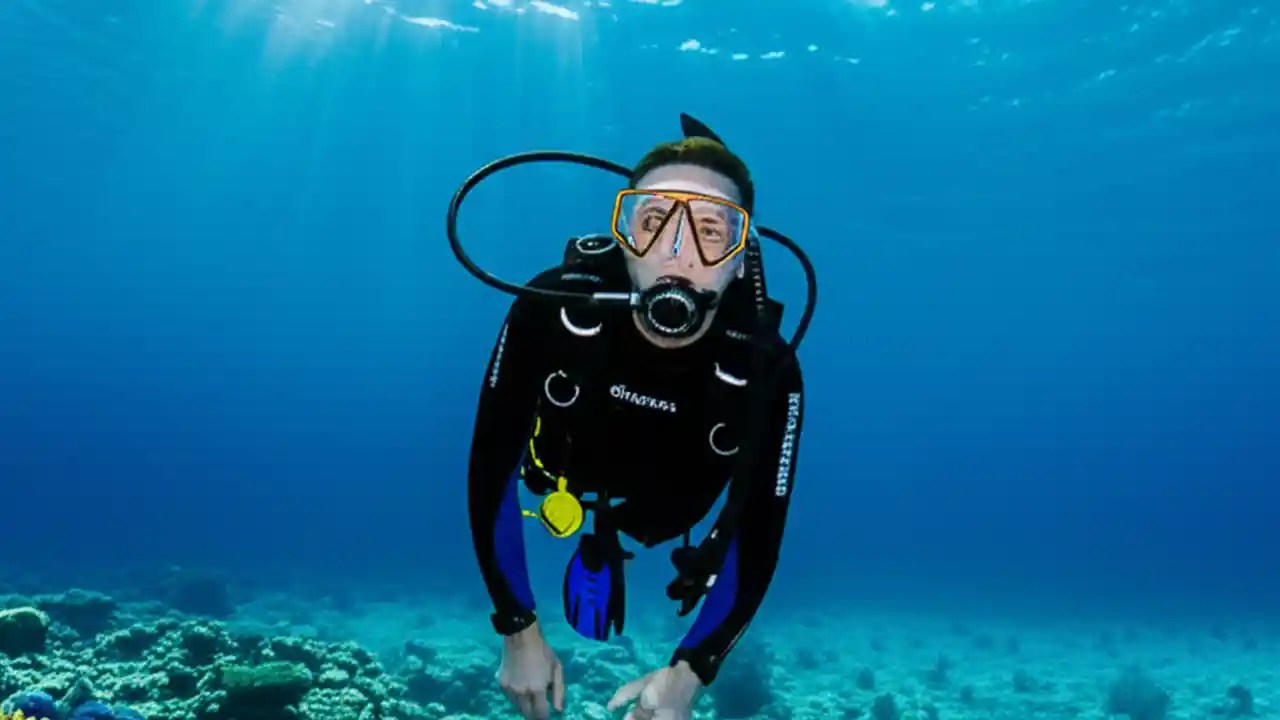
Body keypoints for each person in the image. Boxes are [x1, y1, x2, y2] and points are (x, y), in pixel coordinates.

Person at [450, 115, 816, 720]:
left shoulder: (769, 371)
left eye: (709, 230)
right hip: (564, 476)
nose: (677, 251)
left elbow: (759, 535)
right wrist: (517, 629)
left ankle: (604, 548)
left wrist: (690, 674)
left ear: (736, 260)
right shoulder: (552, 311)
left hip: (669, 514)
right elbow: (489, 468)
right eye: (653, 222)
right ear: (624, 239)